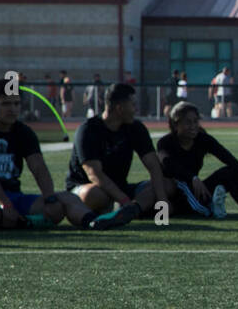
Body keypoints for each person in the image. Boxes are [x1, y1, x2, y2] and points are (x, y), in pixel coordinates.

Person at [0, 79, 100, 229]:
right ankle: (15, 221)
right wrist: (5, 205)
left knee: (66, 199)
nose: (12, 109)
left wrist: (50, 199)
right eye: (5, 104)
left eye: (16, 104)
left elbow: (39, 168)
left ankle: (93, 221)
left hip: (14, 198)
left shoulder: (23, 132)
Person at [65, 82, 169, 227]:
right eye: (133, 104)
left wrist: (163, 204)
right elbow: (95, 175)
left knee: (167, 184)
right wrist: (124, 200)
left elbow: (154, 166)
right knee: (93, 195)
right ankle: (120, 209)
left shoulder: (135, 128)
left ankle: (130, 211)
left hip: (120, 189)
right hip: (89, 188)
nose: (136, 109)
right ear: (119, 108)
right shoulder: (88, 130)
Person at [157, 102, 238, 218]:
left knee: (229, 173)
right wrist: (192, 177)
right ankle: (210, 207)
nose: (193, 126)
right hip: (176, 194)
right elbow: (168, 165)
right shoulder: (165, 143)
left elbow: (231, 161)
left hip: (196, 189)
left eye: (195, 122)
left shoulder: (203, 139)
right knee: (184, 186)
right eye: (188, 122)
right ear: (175, 124)